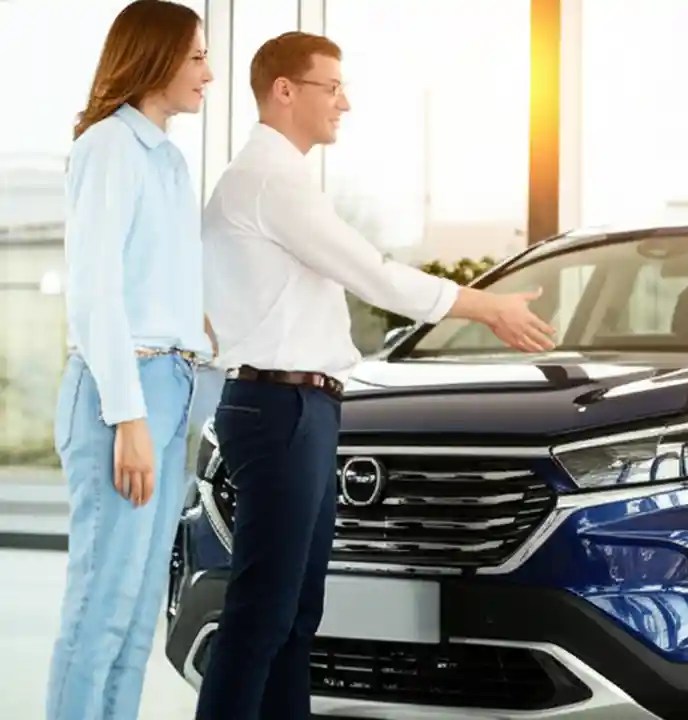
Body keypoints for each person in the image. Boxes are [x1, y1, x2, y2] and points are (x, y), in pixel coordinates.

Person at [193, 31, 556, 720]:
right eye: (332, 87)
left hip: (301, 407)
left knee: (296, 614)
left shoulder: (282, 179)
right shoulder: (269, 180)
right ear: (285, 91)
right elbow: (373, 273)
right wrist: (483, 307)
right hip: (279, 408)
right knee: (264, 611)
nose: (345, 103)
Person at [44, 2, 214, 719]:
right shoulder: (108, 148)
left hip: (174, 385)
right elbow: (95, 292)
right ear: (157, 59)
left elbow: (167, 284)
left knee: (140, 613)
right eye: (198, 57)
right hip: (128, 389)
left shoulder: (169, 159)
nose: (209, 73)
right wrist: (129, 416)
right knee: (101, 607)